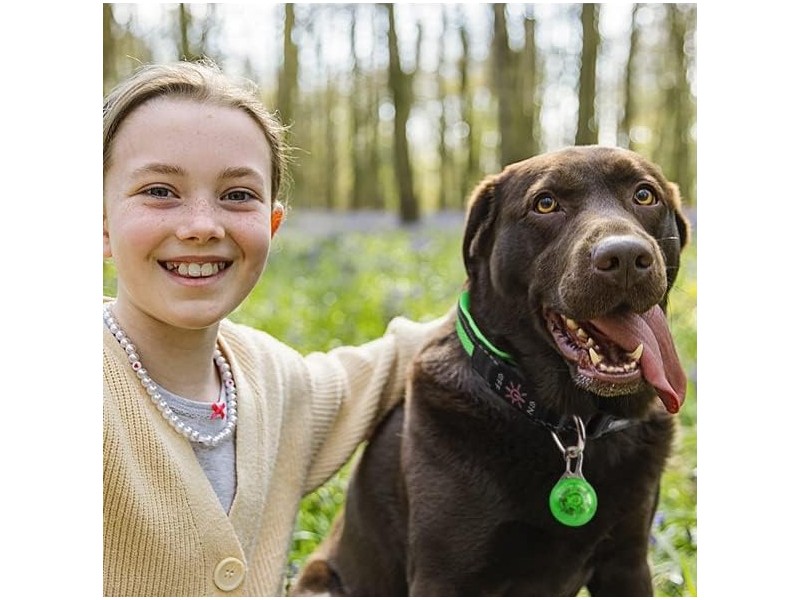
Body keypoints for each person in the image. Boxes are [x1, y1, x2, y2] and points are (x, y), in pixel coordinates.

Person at [103, 59, 447, 596]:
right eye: (159, 191)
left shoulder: (270, 378)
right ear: (99, 223)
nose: (201, 226)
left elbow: (378, 367)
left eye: (238, 195)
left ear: (272, 224)